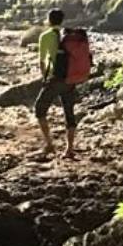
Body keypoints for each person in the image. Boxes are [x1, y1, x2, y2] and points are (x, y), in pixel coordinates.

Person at [34, 9, 89, 157]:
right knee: (69, 112)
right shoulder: (70, 36)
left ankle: (49, 144)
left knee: (39, 109)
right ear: (62, 20)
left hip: (55, 79)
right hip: (71, 78)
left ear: (48, 20)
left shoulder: (45, 36)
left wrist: (45, 78)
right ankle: (69, 149)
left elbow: (42, 61)